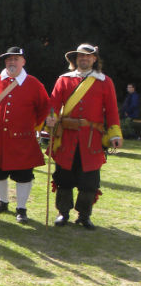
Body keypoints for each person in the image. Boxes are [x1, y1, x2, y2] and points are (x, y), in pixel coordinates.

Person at [45, 43, 122, 230]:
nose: (84, 59)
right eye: (80, 56)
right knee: (64, 178)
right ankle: (63, 213)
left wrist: (114, 135)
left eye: (88, 56)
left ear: (95, 59)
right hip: (67, 138)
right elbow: (53, 104)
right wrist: (51, 118)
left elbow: (112, 111)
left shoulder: (105, 82)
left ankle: (84, 215)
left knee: (89, 181)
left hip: (91, 139)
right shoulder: (63, 80)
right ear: (75, 59)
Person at [0, 47, 50, 223]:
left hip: (22, 139)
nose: (12, 62)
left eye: (16, 59)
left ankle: (21, 208)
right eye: (9, 59)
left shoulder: (34, 84)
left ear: (23, 62)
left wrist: (30, 126)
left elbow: (43, 108)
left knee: (23, 175)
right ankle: (3, 202)